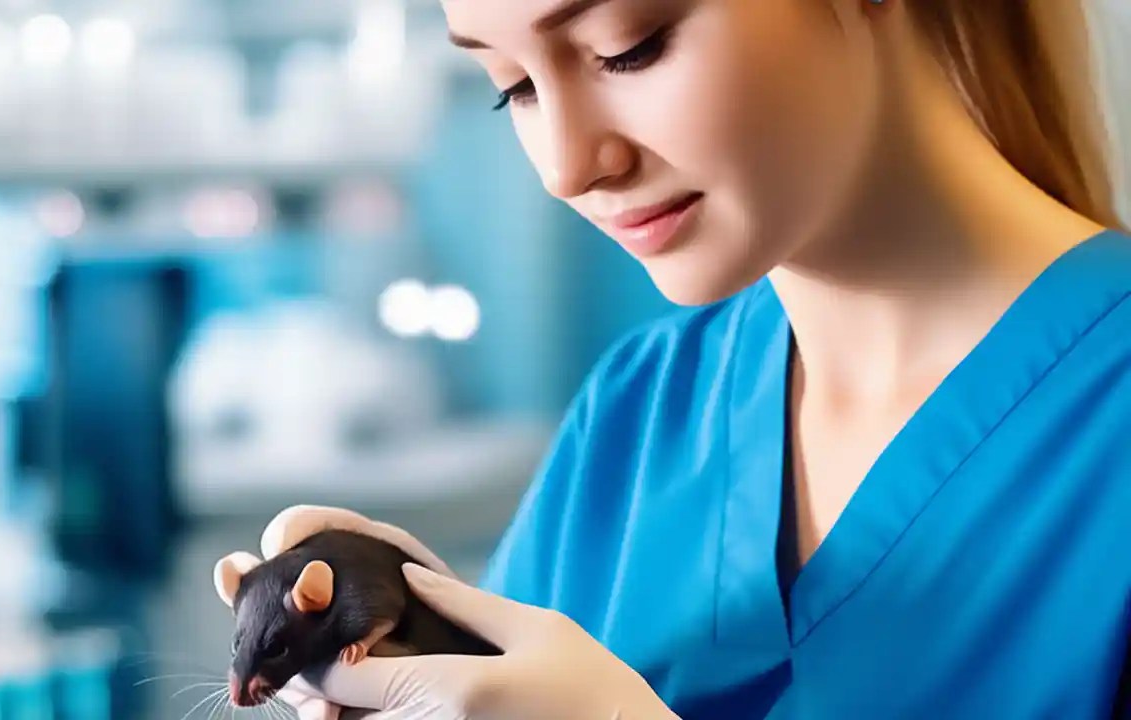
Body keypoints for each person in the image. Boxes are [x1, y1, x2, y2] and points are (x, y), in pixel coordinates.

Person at [216, 0, 1131, 717]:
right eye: (514, 88)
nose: (566, 167)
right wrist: (428, 643)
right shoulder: (635, 416)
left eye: (630, 45)